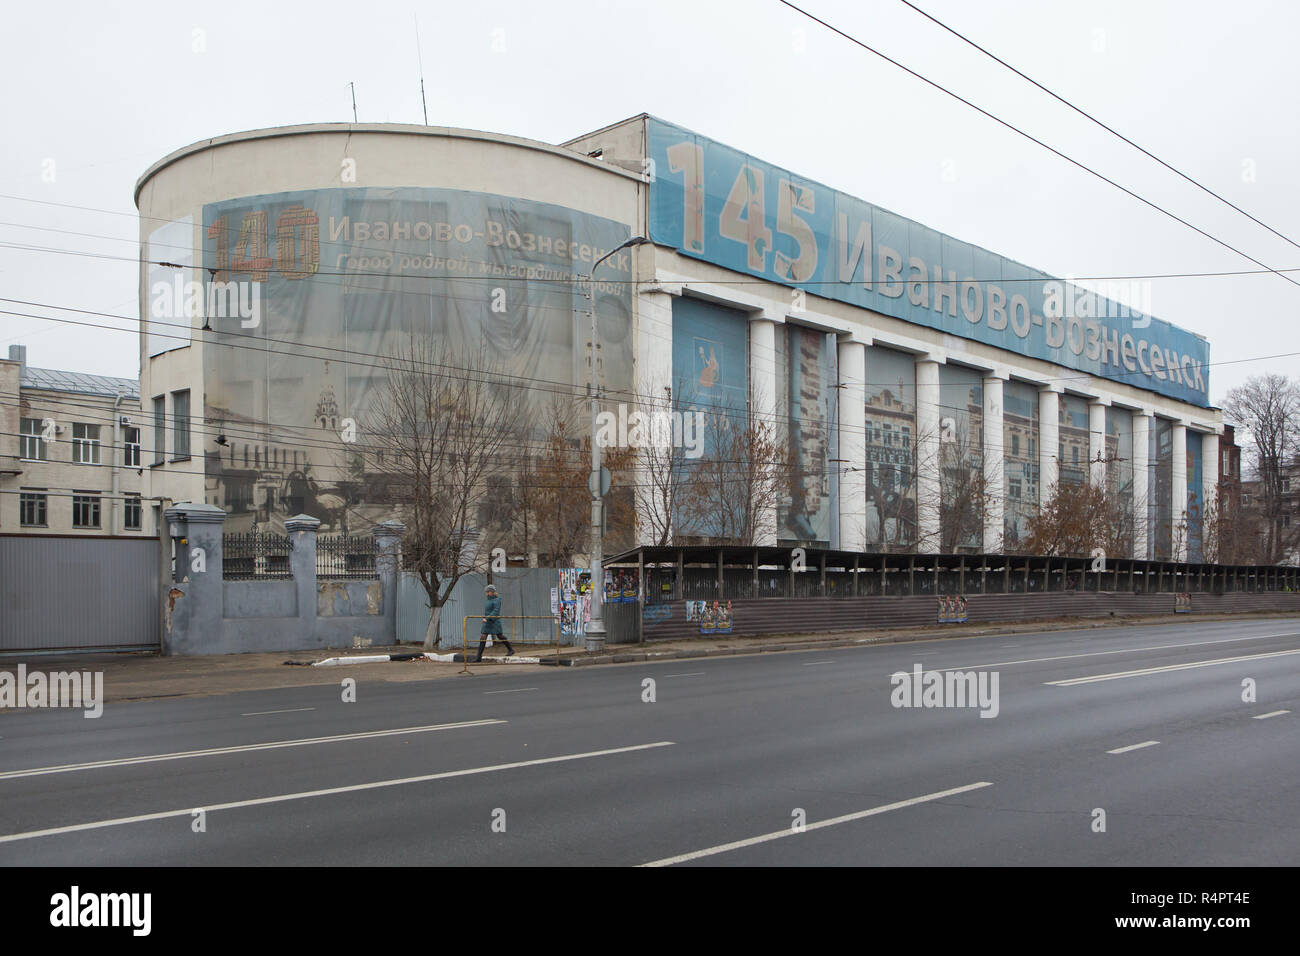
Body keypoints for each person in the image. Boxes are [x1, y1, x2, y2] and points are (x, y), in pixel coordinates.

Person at [474, 584, 514, 662]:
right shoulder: (488, 600)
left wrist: (487, 618)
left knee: (500, 636)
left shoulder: (497, 600)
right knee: (483, 637)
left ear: (492, 592)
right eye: (486, 592)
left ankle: (510, 650)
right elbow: (488, 611)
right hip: (487, 622)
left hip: (494, 621)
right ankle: (478, 657)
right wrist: (485, 617)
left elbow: (496, 611)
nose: (486, 593)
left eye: (488, 592)